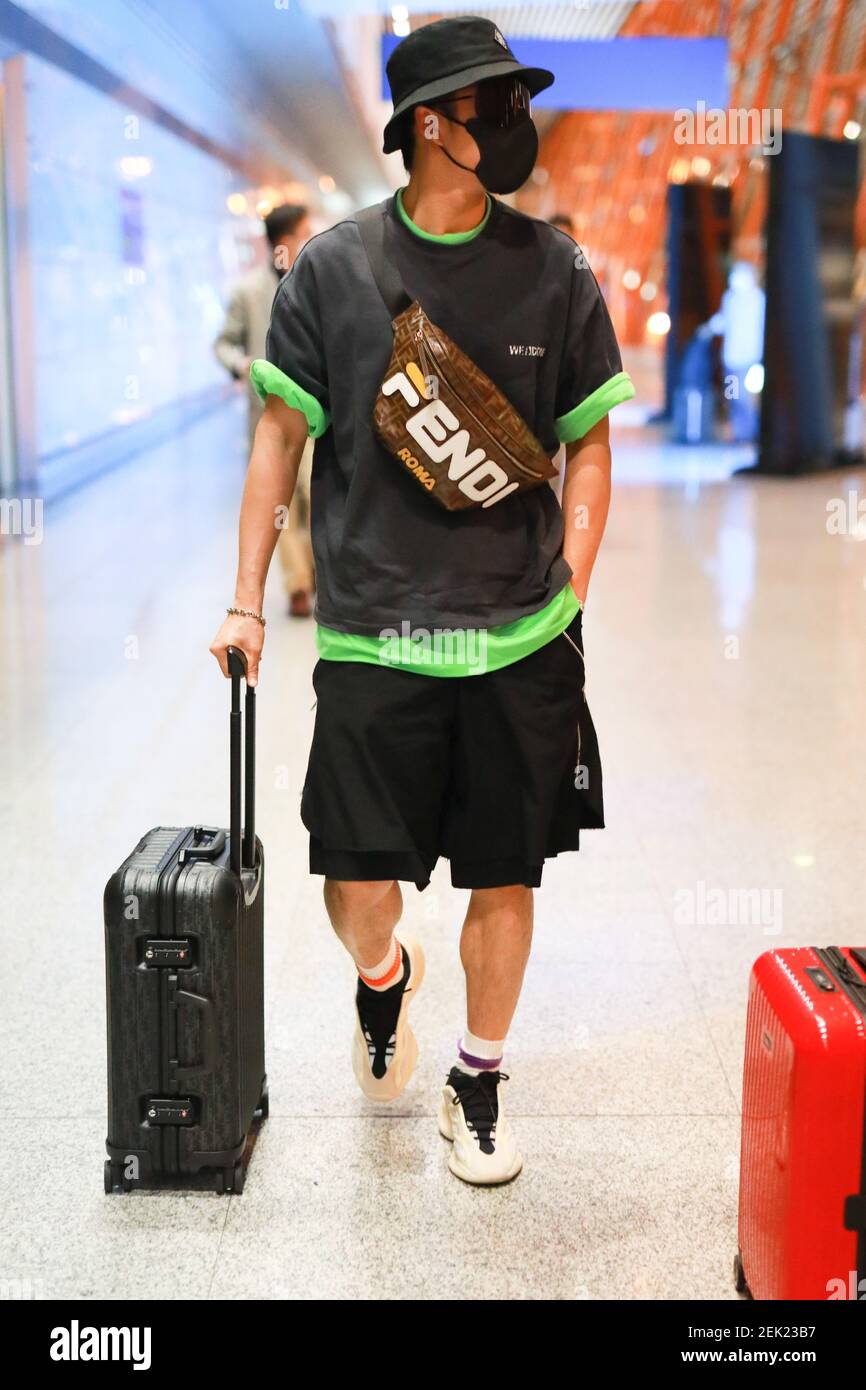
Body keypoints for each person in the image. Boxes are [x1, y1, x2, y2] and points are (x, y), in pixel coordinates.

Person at [209, 15, 634, 1185]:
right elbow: (275, 439)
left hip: (517, 639)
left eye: (511, 100)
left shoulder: (555, 270)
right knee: (356, 880)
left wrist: (574, 584)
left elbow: (588, 440)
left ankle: (477, 1078)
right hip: (371, 638)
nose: (512, 122)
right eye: (491, 104)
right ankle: (384, 977)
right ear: (431, 126)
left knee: (506, 872)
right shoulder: (334, 271)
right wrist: (246, 599)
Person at [213, 203, 316, 616]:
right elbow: (223, 341)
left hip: (314, 412)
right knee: (282, 503)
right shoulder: (247, 291)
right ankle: (298, 585)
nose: (311, 238)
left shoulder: (315, 284)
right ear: (284, 240)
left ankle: (312, 572)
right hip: (269, 416)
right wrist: (239, 364)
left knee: (313, 494)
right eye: (305, 231)